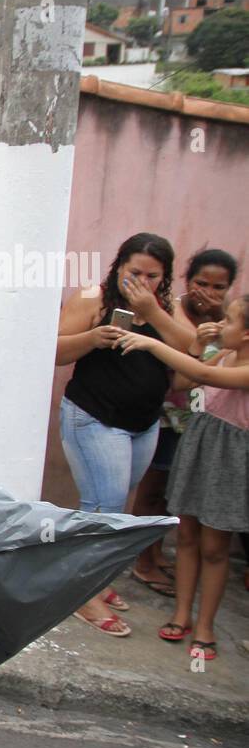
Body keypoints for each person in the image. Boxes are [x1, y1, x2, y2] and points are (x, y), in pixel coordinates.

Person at [54, 233, 196, 637]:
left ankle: (96, 578)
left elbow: (194, 350)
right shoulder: (93, 298)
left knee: (114, 508)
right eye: (135, 272)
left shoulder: (166, 307)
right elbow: (54, 350)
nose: (143, 282)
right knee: (106, 508)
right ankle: (84, 595)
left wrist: (154, 312)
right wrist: (92, 338)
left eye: (153, 276)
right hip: (95, 417)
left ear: (164, 277)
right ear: (119, 267)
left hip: (144, 424)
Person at [117, 295, 249, 661]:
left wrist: (152, 341)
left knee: (215, 547)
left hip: (229, 461)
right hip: (200, 448)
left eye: (230, 322)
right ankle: (181, 614)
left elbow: (207, 377)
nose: (221, 326)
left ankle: (205, 626)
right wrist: (205, 345)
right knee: (187, 536)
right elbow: (188, 377)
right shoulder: (223, 354)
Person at [130, 249, 237, 596]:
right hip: (166, 414)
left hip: (201, 424)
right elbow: (185, 370)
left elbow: (210, 368)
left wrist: (222, 322)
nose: (208, 292)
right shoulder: (172, 310)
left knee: (173, 498)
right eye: (201, 283)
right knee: (153, 490)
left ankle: (158, 554)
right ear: (187, 282)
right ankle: (143, 561)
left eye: (218, 287)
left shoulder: (231, 325)